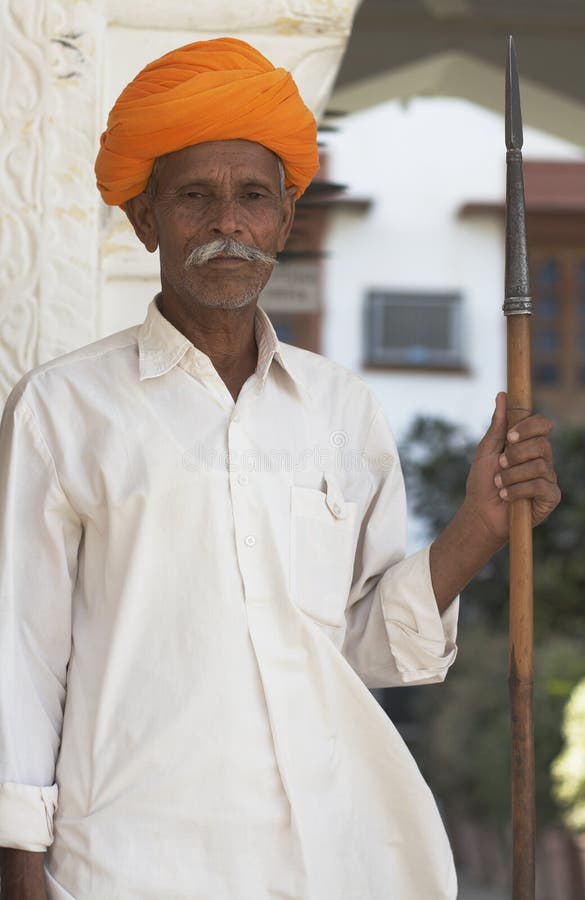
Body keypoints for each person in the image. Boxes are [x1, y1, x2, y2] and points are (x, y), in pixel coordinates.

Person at [0, 37, 559, 900]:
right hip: (128, 862)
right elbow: (22, 654)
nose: (227, 225)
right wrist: (18, 859)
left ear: (285, 218)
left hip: (329, 856)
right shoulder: (61, 409)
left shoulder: (343, 410)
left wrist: (477, 528)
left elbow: (367, 647)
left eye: (252, 198)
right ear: (145, 219)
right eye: (194, 198)